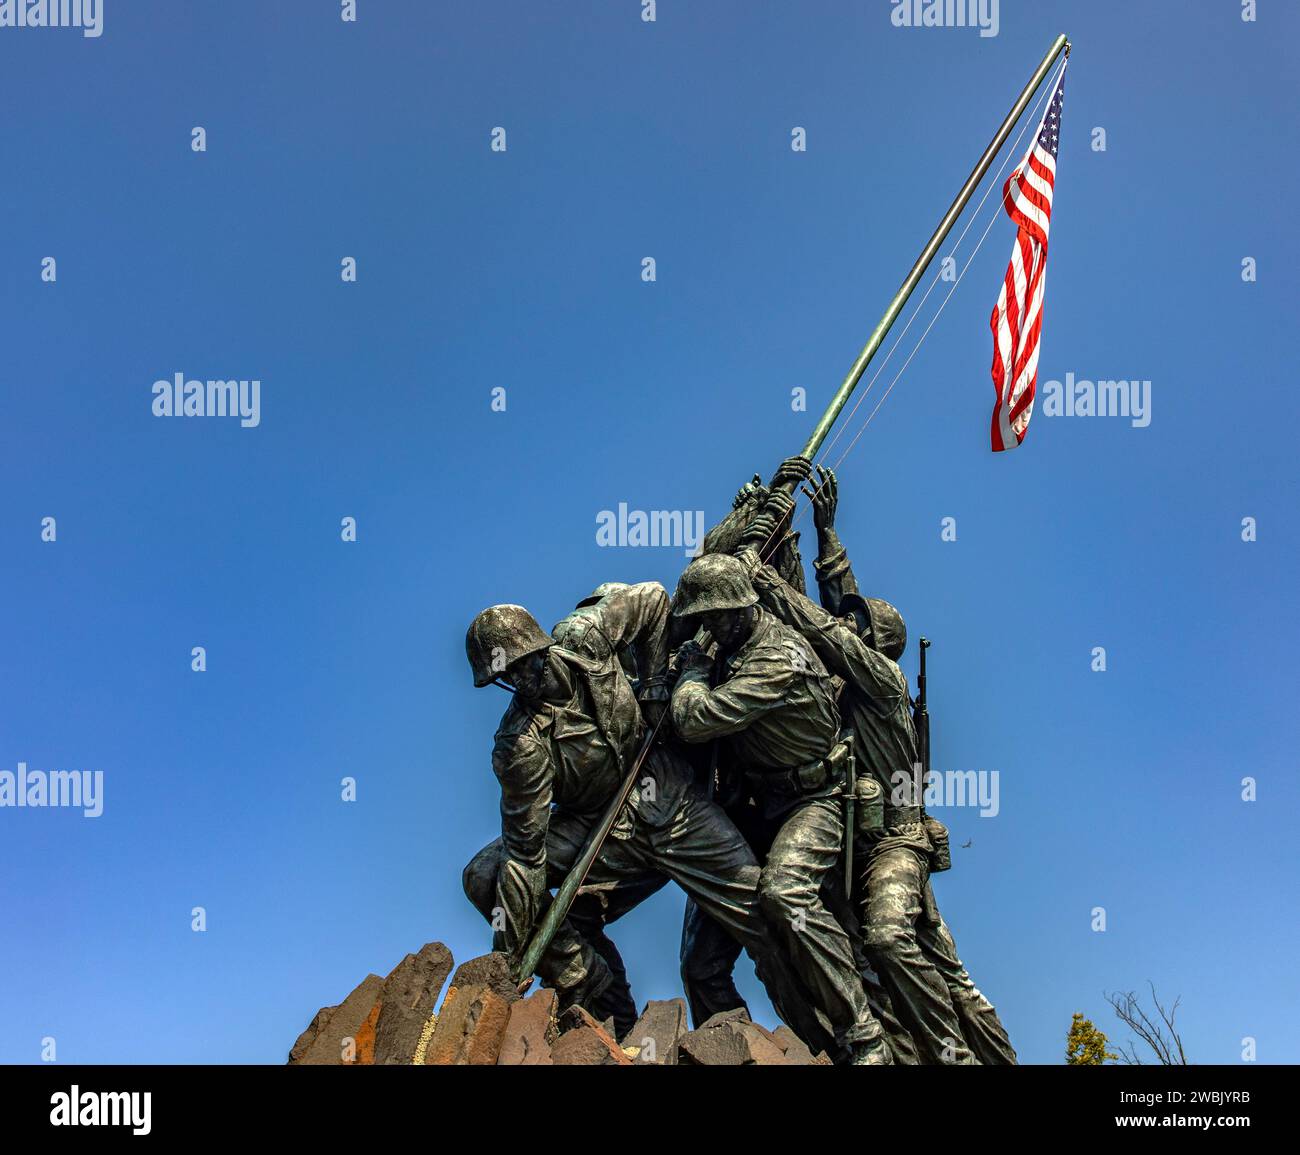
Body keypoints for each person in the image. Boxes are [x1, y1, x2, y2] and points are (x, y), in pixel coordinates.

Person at [670, 553, 892, 1064]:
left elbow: (696, 718)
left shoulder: (777, 656)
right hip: (756, 806)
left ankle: (865, 1038)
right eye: (702, 619)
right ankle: (733, 1051)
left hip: (815, 800)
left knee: (785, 894)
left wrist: (691, 675)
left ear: (744, 608)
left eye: (717, 616)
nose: (709, 628)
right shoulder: (733, 644)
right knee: (699, 962)